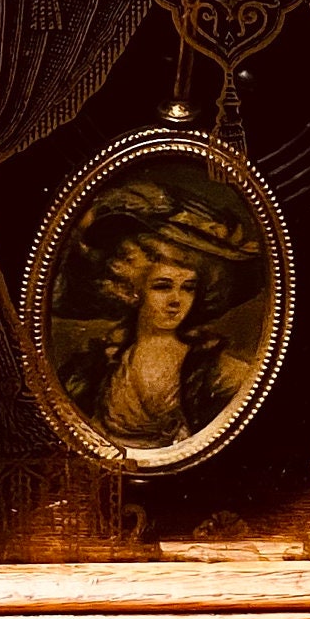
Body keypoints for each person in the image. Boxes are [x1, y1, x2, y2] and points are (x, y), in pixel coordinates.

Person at [54, 180, 262, 451]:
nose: (176, 301)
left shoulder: (212, 367)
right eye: (162, 286)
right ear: (132, 289)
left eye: (188, 288)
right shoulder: (96, 363)